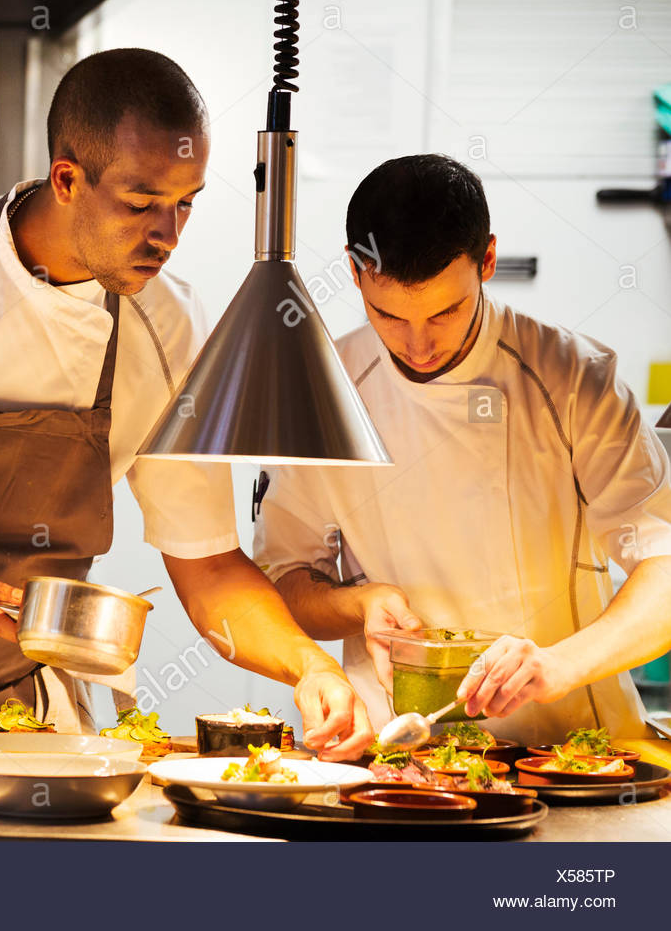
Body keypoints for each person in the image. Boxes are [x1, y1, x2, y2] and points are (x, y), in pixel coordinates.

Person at [0, 48, 371, 759]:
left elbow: (206, 566)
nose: (167, 237)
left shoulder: (168, 325)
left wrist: (312, 666)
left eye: (186, 204)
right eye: (142, 204)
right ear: (67, 179)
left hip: (25, 710)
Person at [254, 153, 671, 743]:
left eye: (446, 311)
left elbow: (665, 570)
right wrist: (360, 602)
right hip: (395, 752)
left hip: (569, 751)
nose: (418, 345)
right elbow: (286, 583)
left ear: (488, 261)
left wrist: (560, 666)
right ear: (354, 271)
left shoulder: (574, 380)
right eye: (388, 314)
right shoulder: (325, 389)